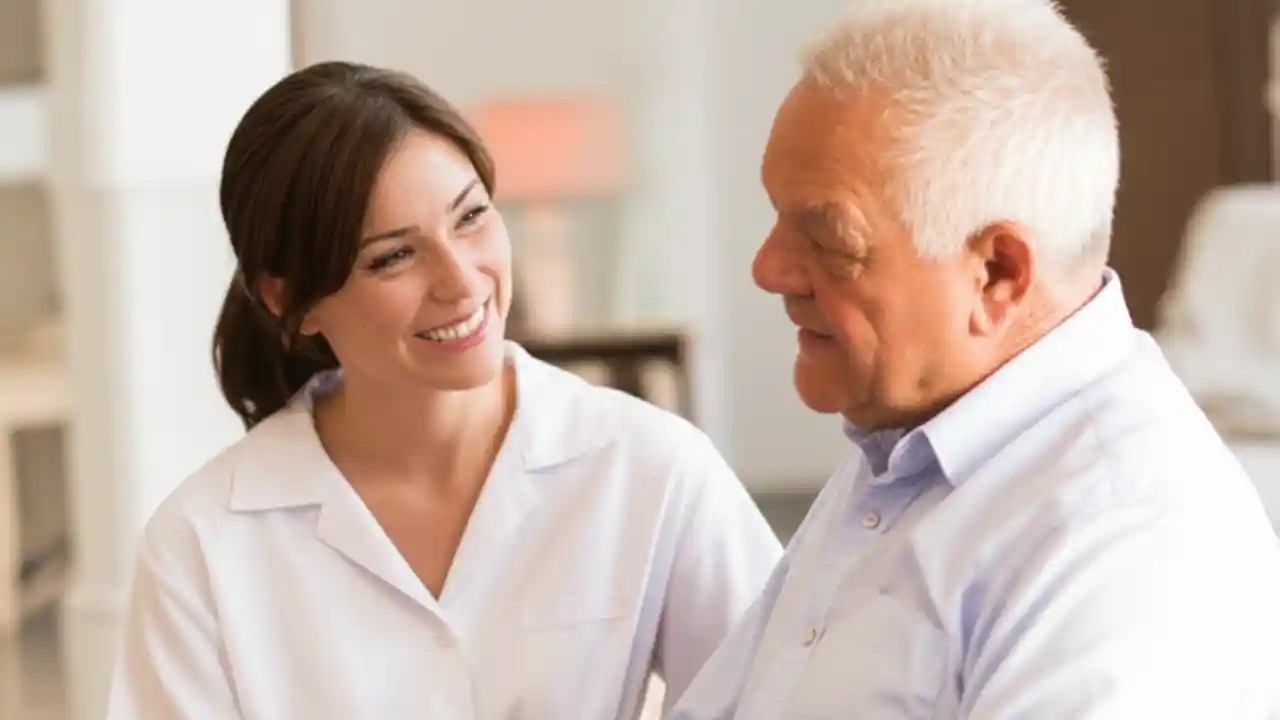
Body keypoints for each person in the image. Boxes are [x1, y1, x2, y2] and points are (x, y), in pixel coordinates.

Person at [106, 61, 781, 719]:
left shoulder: (650, 469)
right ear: (291, 301)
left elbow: (781, 695)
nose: (461, 280)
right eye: (393, 256)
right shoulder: (200, 544)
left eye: (471, 217)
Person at [673, 1, 1280, 717]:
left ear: (997, 272)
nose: (768, 269)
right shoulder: (913, 446)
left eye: (829, 241)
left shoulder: (1118, 551)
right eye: (777, 215)